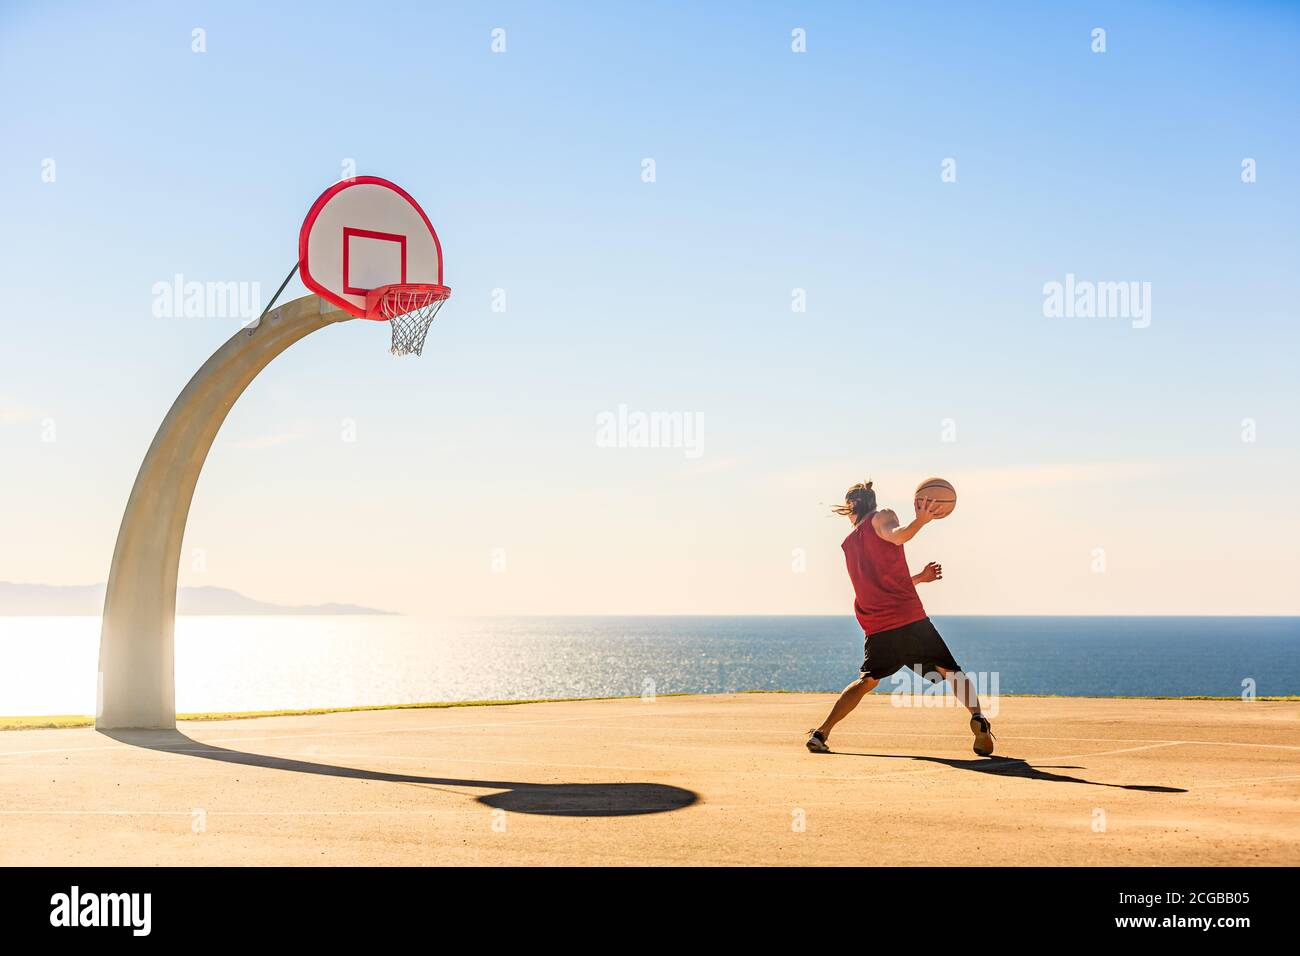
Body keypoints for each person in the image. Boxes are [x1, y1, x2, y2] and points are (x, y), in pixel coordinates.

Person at [805, 480, 995, 756]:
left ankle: (822, 732)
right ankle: (978, 718)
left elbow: (892, 551)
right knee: (951, 671)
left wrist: (918, 573)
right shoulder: (883, 517)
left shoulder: (850, 544)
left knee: (867, 681)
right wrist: (921, 522)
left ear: (850, 507)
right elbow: (897, 537)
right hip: (909, 619)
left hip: (878, 626)